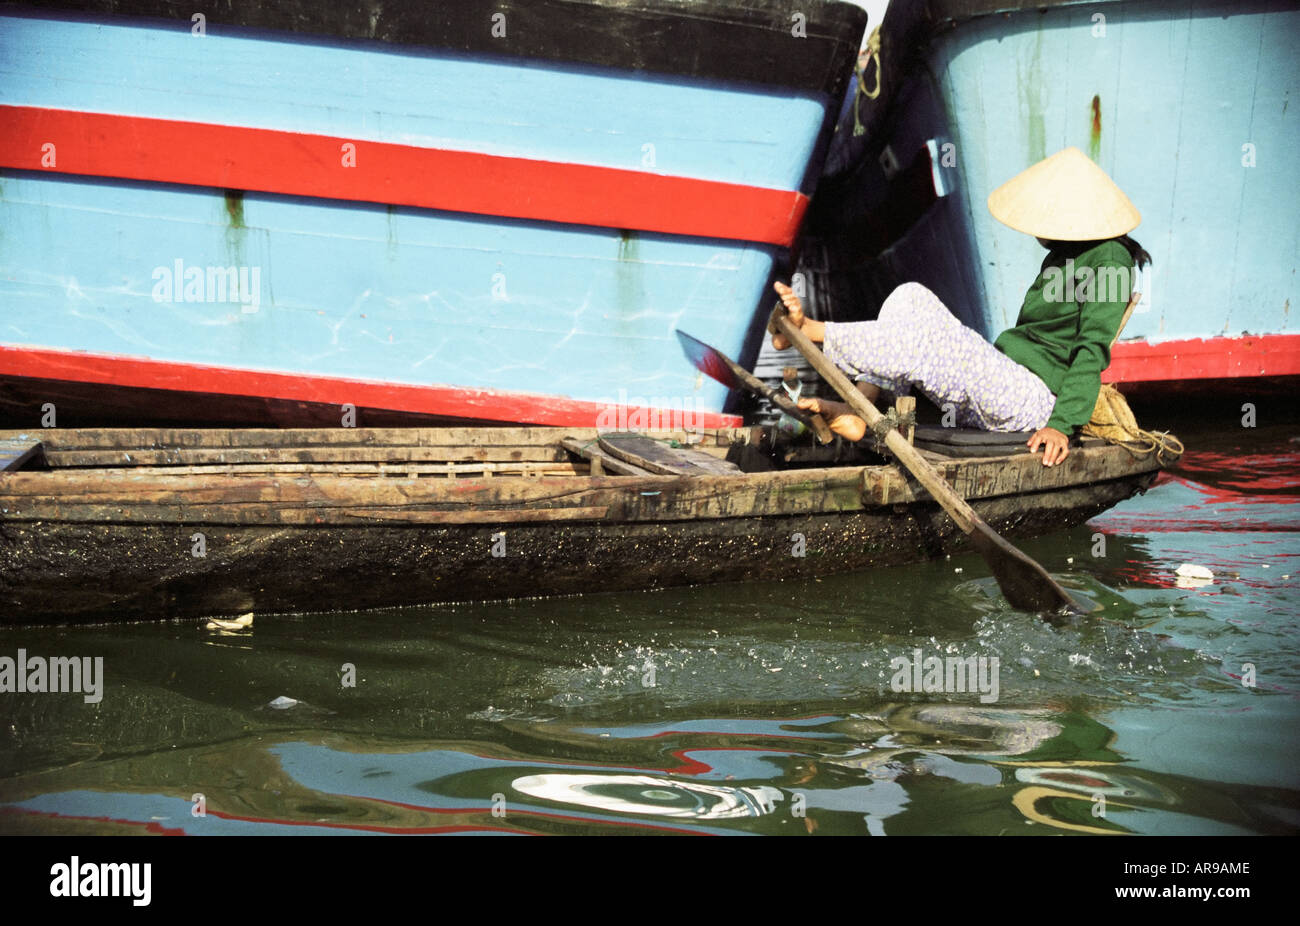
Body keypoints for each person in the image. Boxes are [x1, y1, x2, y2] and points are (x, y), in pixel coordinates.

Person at [771, 147, 1150, 467]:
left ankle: (814, 331)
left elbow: (1091, 351)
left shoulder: (1110, 260)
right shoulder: (1065, 255)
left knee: (926, 344)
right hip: (1009, 381)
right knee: (911, 296)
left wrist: (1061, 425)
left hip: (1035, 403)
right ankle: (858, 409)